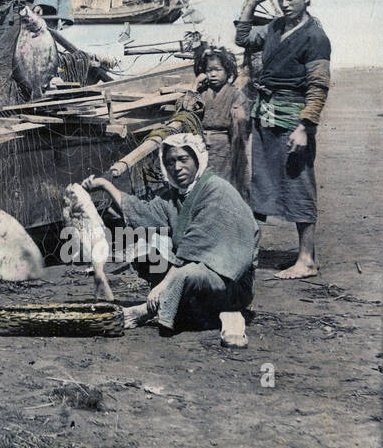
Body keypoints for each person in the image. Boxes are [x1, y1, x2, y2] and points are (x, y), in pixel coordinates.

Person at [84, 133, 258, 347]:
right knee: (144, 250)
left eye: (183, 159)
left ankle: (153, 310)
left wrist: (164, 284)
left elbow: (195, 249)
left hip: (230, 282)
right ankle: (180, 304)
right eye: (170, 162)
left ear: (198, 159)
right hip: (193, 268)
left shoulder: (217, 191)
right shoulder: (176, 196)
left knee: (186, 274)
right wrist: (104, 185)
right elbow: (141, 212)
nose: (177, 167)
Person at [235, 0, 331, 279]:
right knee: (261, 182)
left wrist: (305, 126)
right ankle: (248, 252)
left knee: (299, 183)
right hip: (265, 114)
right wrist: (251, 4)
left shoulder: (315, 37)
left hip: (293, 119)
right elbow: (243, 39)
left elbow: (318, 86)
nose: (285, 3)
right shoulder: (275, 28)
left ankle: (307, 259)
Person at [194, 46, 249, 195]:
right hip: (201, 146)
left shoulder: (235, 95)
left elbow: (241, 128)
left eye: (217, 70)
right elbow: (188, 107)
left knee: (222, 186)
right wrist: (195, 84)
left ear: (228, 70)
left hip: (225, 148)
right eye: (208, 70)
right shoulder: (202, 93)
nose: (212, 74)